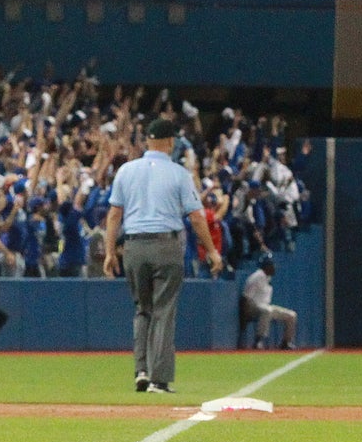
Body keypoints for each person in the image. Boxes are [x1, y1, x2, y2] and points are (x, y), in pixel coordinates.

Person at [102, 117, 224, 394]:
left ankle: (141, 371)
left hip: (133, 246)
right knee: (164, 311)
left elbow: (113, 214)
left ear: (148, 141)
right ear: (170, 143)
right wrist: (212, 251)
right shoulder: (179, 173)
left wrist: (110, 252)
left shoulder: (126, 171)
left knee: (142, 310)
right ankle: (158, 378)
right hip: (165, 245)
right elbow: (195, 217)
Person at [241, 253, 297, 349]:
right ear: (267, 266)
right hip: (253, 307)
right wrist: (244, 316)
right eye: (272, 265)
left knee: (291, 315)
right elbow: (245, 298)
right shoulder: (256, 277)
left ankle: (286, 342)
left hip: (265, 306)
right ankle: (258, 340)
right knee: (267, 311)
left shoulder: (268, 277)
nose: (274, 267)